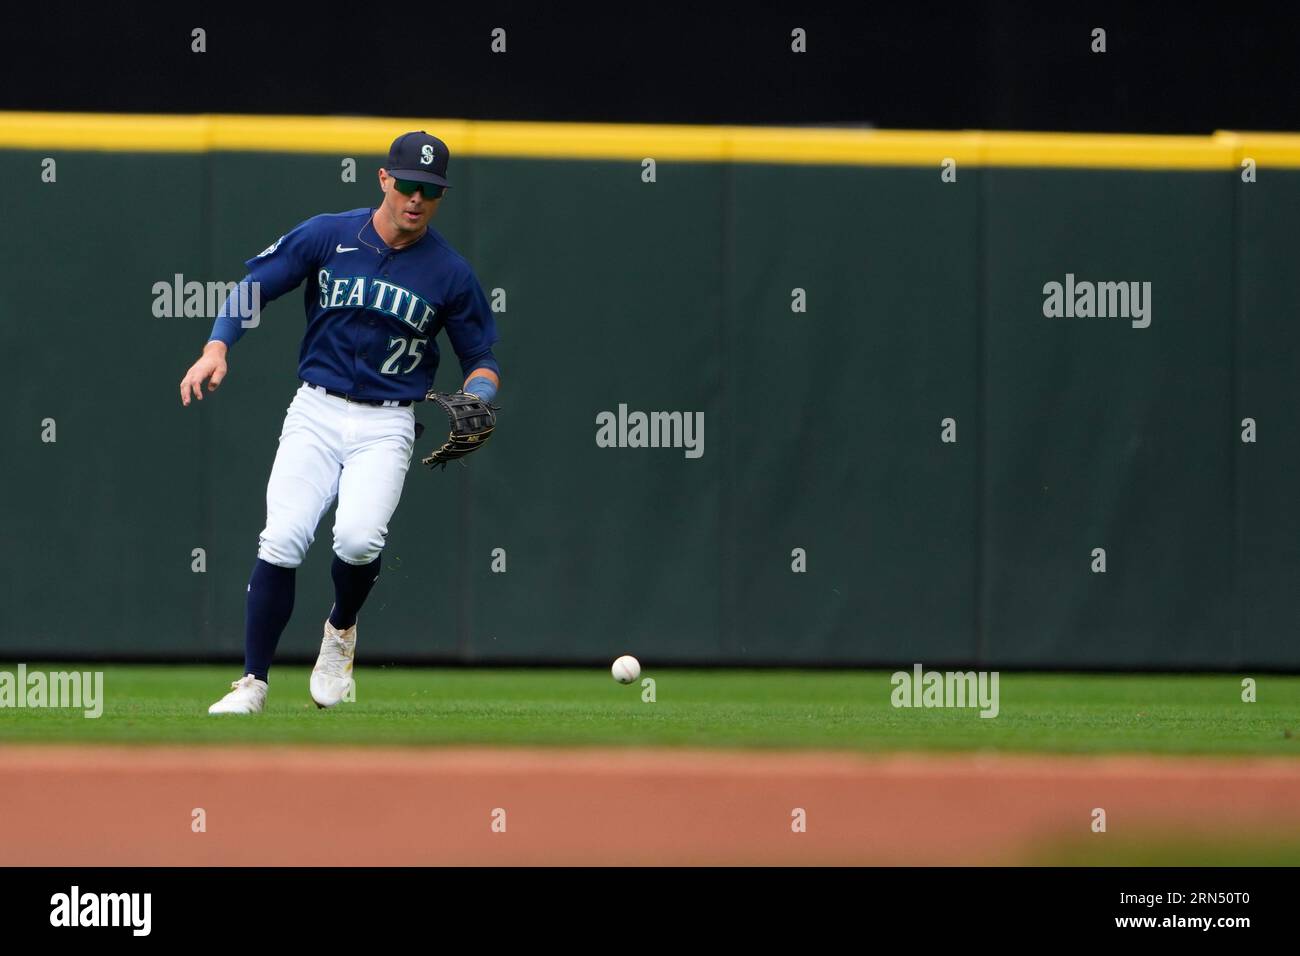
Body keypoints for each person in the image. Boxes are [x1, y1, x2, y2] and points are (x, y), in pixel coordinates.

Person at [178, 131, 500, 715]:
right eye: (407, 185)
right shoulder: (329, 234)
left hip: (388, 422)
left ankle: (340, 632)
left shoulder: (450, 272)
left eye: (431, 191)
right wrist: (217, 346)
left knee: (356, 541)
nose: (416, 199)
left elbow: (483, 359)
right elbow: (257, 285)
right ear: (383, 179)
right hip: (316, 410)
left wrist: (478, 393)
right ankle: (252, 684)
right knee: (282, 537)